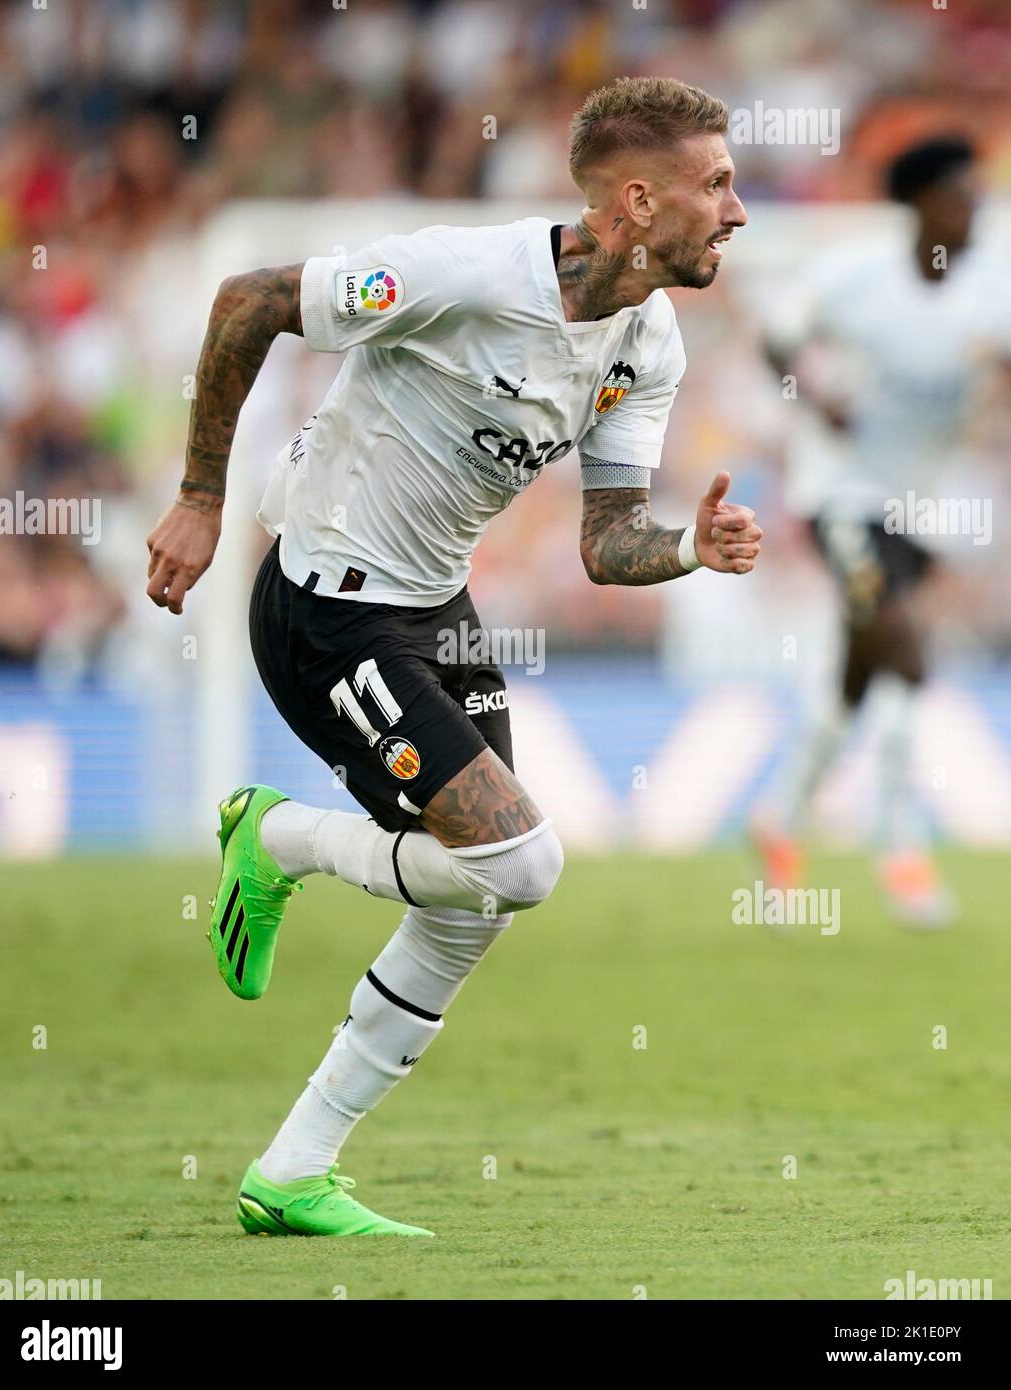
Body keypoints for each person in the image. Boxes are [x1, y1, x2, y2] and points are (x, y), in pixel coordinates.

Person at [145, 76, 760, 1237]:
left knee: (476, 903)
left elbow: (604, 540)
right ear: (636, 198)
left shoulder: (645, 341)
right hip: (324, 606)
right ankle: (274, 839)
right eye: (716, 185)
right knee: (522, 865)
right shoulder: (463, 275)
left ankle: (291, 1171)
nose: (736, 211)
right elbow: (247, 299)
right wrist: (195, 500)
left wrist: (687, 545)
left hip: (429, 608)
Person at [756, 136, 1009, 925]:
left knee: (862, 674)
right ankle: (903, 852)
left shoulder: (993, 285)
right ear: (922, 203)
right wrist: (817, 398)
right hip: (838, 494)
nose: (977, 207)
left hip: (921, 505)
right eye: (963, 193)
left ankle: (782, 814)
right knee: (903, 647)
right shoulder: (855, 275)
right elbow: (778, 333)